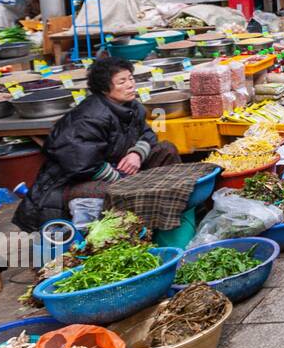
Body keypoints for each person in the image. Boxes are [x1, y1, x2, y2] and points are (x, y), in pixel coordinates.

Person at [14, 57, 181, 230]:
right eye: (121, 81)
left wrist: (136, 153)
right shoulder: (90, 116)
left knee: (166, 149)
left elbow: (147, 134)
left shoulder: (132, 107)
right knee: (101, 192)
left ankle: (166, 210)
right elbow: (80, 164)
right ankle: (104, 232)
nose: (130, 84)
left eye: (130, 78)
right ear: (104, 88)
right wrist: (121, 180)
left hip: (119, 167)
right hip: (73, 181)